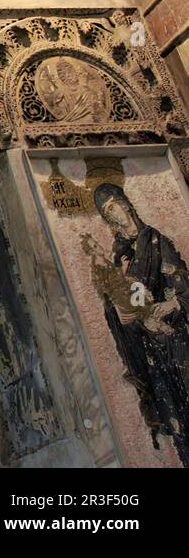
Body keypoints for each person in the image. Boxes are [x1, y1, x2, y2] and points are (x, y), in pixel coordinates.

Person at [87, 182, 189, 464]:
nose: (113, 214)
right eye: (107, 212)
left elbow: (182, 284)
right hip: (150, 349)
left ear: (126, 204)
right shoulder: (120, 256)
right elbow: (117, 307)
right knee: (174, 412)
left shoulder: (155, 241)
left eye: (114, 206)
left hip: (176, 339)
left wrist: (171, 304)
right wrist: (117, 305)